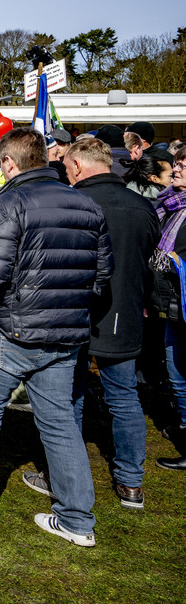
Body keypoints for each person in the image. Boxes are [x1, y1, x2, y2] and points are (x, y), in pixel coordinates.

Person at [0, 128, 111, 548]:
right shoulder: (86, 203)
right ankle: (77, 518)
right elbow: (101, 275)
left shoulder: (6, 202)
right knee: (60, 422)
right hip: (63, 334)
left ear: (9, 163)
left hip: (13, 330)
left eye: (0, 163)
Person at [19, 138, 156, 509]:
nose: (64, 171)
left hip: (76, 311)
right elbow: (148, 258)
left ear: (77, 166)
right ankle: (130, 482)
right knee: (122, 396)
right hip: (125, 313)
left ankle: (62, 477)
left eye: (65, 166)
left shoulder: (76, 203)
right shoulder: (143, 206)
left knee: (70, 397)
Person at [153, 150, 186, 471]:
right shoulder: (171, 205)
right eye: (176, 165)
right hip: (173, 303)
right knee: (177, 375)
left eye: (182, 167)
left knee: (181, 374)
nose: (174, 170)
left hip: (184, 304)